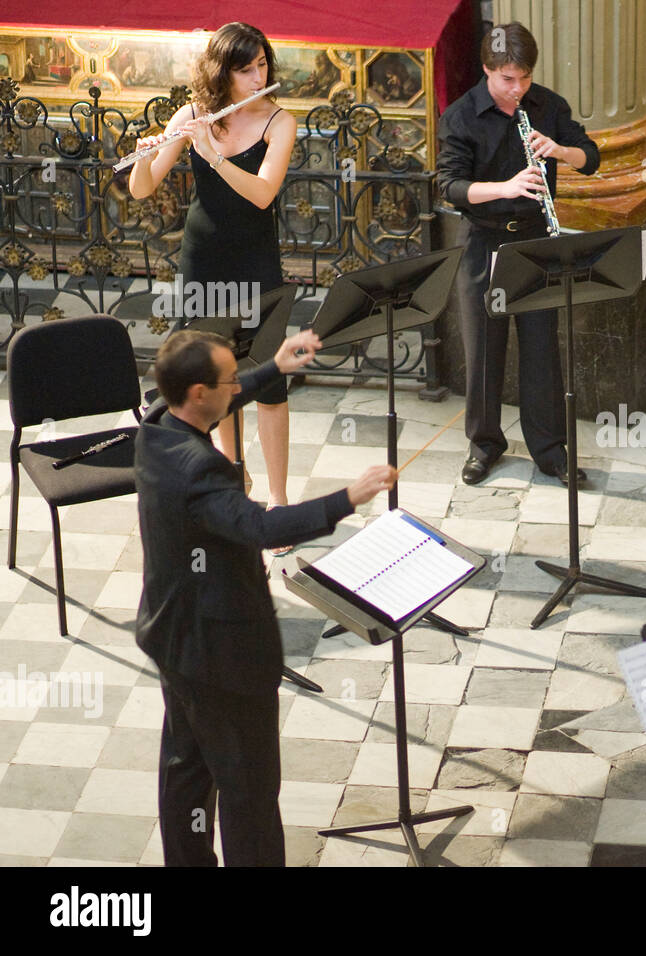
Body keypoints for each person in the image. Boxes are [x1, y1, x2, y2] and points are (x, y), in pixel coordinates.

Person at [136, 328, 395, 866]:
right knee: (249, 791)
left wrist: (275, 366)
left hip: (172, 637)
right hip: (220, 658)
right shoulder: (200, 470)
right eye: (231, 380)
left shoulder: (157, 426)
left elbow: (224, 393)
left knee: (187, 767)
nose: (238, 387)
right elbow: (261, 527)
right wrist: (349, 496)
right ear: (200, 392)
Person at [128, 22, 297, 548]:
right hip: (203, 260)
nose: (257, 76)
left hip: (255, 262)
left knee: (265, 381)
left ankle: (281, 501)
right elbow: (143, 189)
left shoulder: (279, 121)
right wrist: (141, 155)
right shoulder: (193, 114)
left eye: (262, 65)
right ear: (222, 72)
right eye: (246, 69)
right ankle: (231, 474)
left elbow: (264, 194)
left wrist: (216, 154)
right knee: (212, 371)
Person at [435, 22, 600, 487]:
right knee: (483, 349)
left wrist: (560, 151)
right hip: (483, 240)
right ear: (488, 71)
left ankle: (550, 451)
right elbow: (449, 186)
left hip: (534, 240)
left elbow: (591, 157)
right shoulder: (463, 115)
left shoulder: (547, 105)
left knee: (542, 349)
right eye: (507, 79)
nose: (517, 89)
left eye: (524, 78)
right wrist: (505, 187)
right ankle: (484, 445)